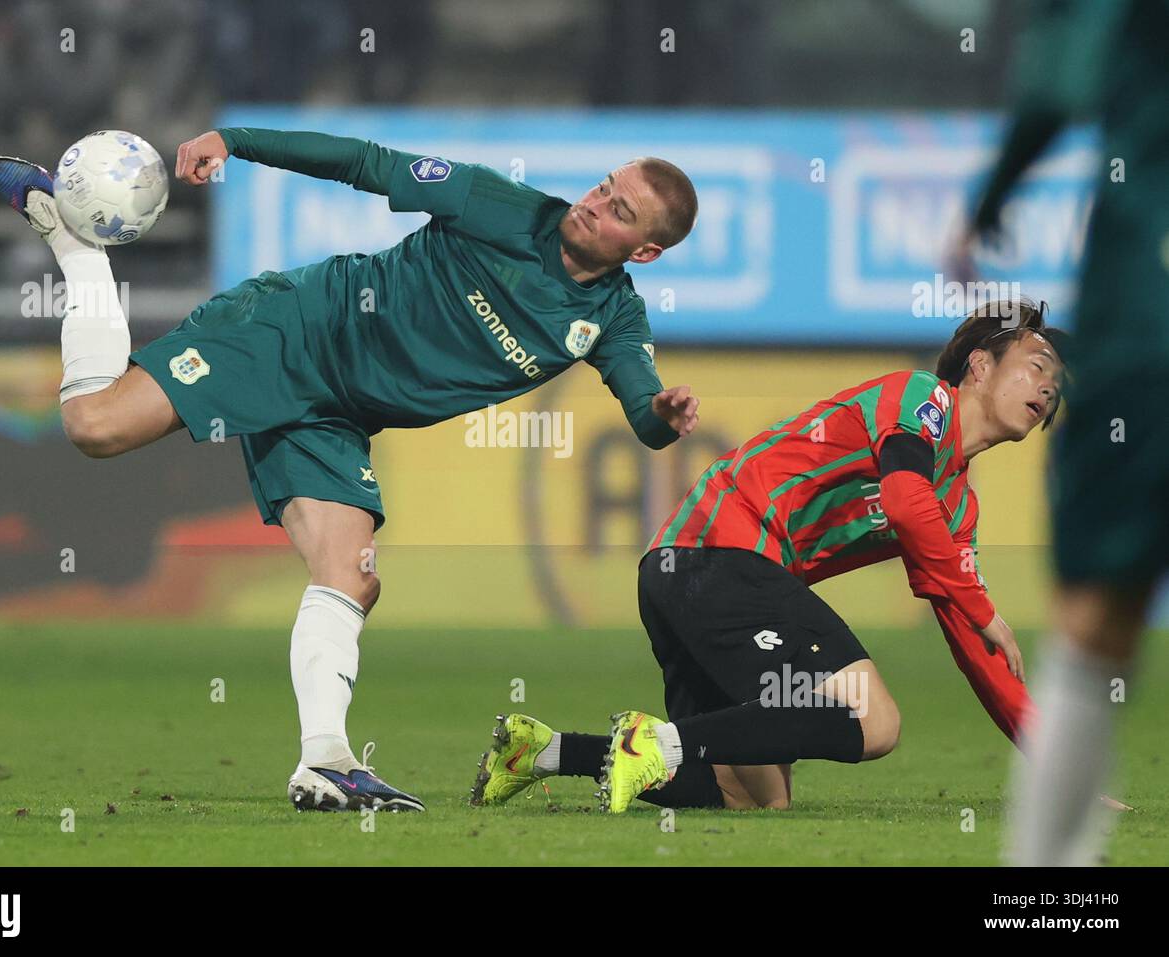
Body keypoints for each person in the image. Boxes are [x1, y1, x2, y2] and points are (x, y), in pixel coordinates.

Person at [0, 128, 700, 813]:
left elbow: (644, 410)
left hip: (337, 414)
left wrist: (663, 414)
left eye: (618, 210)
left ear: (644, 252)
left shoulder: (613, 320)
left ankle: (324, 759)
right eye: (605, 186)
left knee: (352, 577)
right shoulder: (497, 205)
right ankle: (74, 244)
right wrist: (236, 142)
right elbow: (366, 162)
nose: (594, 202)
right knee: (95, 426)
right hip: (294, 328)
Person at [472, 301, 1064, 813]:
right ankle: (655, 743)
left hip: (686, 574)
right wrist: (984, 606)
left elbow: (979, 648)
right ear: (979, 366)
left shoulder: (956, 506)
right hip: (721, 553)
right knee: (875, 721)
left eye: (1054, 384)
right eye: (1036, 367)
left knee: (746, 792)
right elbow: (906, 502)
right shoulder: (921, 398)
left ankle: (542, 752)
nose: (1047, 387)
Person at [955, 0, 1169, 865]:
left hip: (1145, 328)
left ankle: (1048, 893)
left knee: (1094, 624)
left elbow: (1054, 85)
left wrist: (989, 200)